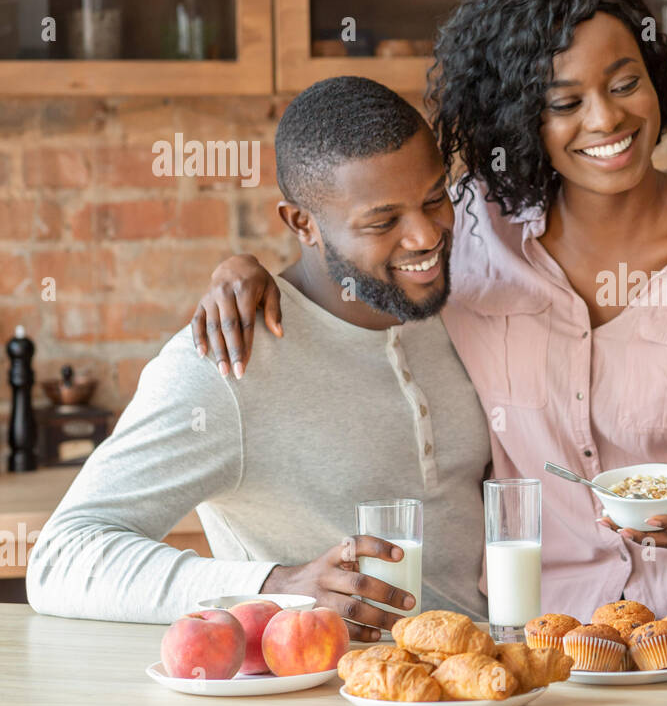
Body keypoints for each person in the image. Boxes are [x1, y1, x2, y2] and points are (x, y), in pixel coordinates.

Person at [190, 0, 667, 633]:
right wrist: (245, 269)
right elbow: (363, 251)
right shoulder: (474, 228)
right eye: (564, 103)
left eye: (625, 83)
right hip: (545, 636)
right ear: (518, 119)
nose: (605, 121)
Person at [27, 77, 492, 640]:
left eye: (434, 198)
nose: (425, 236)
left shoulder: (462, 309)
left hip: (486, 684)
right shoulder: (229, 362)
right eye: (382, 221)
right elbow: (62, 557)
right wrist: (278, 588)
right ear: (302, 224)